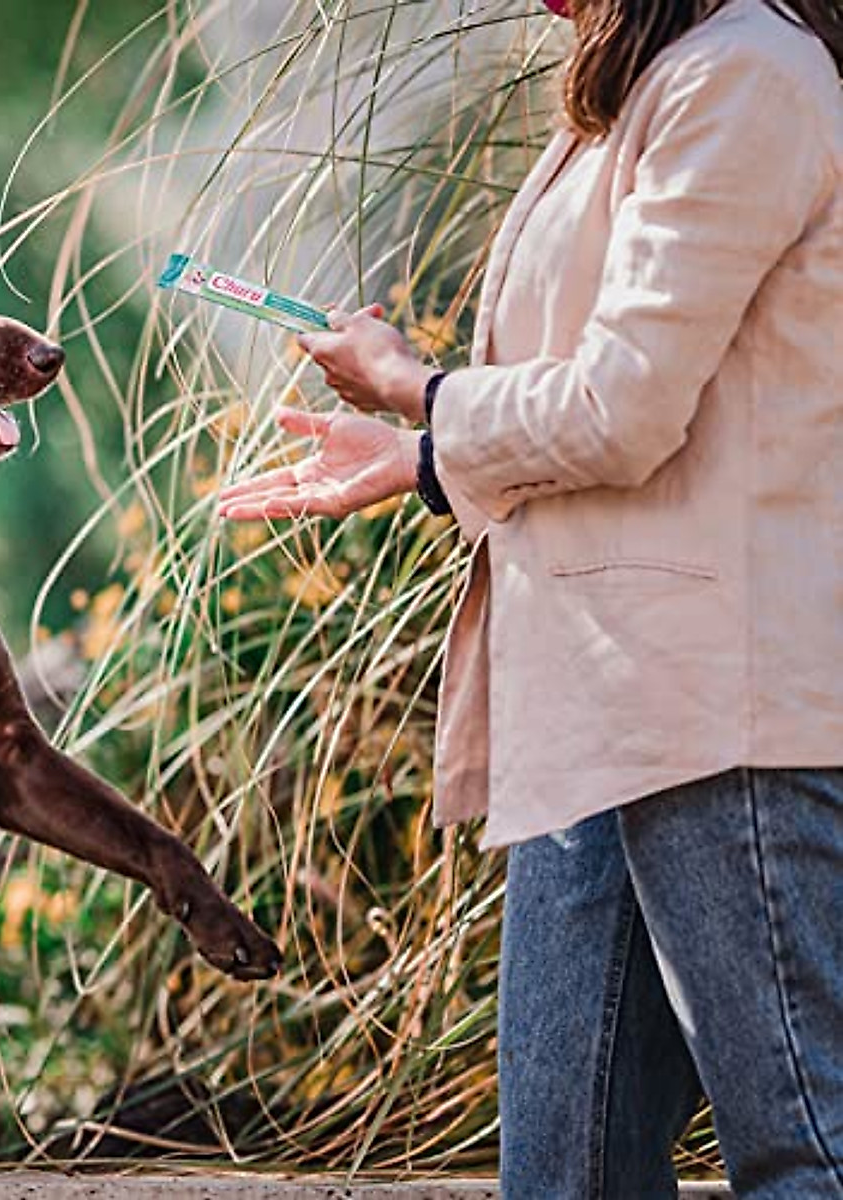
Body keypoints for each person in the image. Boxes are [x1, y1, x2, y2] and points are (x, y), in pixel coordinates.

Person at [219, 1, 843, 1196]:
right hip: (593, 706)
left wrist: (421, 391)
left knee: (801, 1152)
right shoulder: (643, 83)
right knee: (564, 1175)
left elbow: (623, 408)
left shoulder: (747, 75)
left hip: (723, 707)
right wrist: (415, 453)